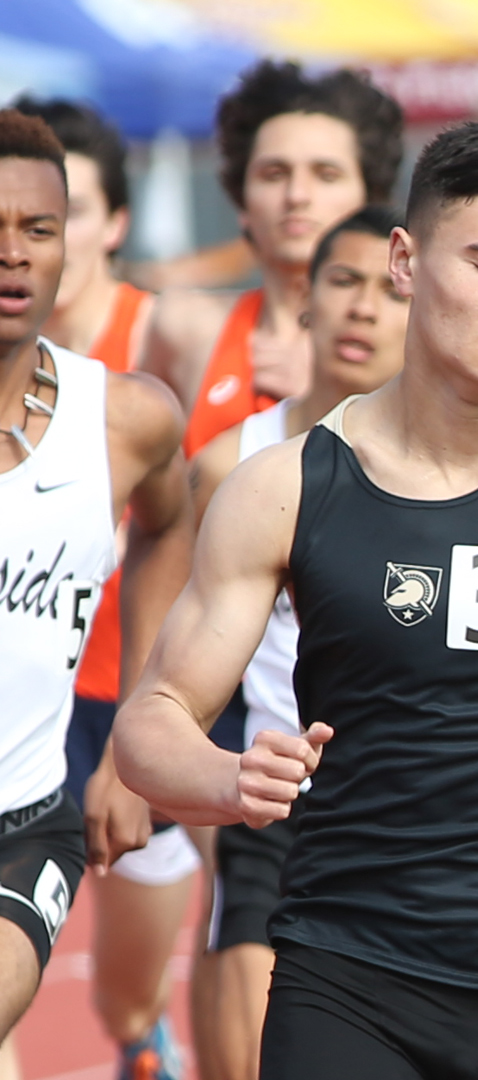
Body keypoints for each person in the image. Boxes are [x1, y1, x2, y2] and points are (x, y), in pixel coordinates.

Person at [114, 122, 478, 1080]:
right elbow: (153, 719)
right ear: (406, 261)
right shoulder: (285, 485)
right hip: (342, 964)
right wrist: (228, 779)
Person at [182, 205, 407, 1080]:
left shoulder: (451, 475)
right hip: (271, 790)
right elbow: (176, 653)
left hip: (408, 801)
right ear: (305, 302)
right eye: (342, 282)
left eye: (386, 290)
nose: (362, 308)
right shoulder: (232, 464)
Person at [0, 109, 192, 1080]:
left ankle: (140, 1038)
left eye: (39, 228)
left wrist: (135, 728)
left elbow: (169, 527)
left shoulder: (127, 418)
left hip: (30, 818)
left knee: (121, 993)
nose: (14, 253)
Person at [144, 60, 403, 458]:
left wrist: (321, 399)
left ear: (370, 196)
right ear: (241, 199)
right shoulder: (185, 328)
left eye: (326, 174)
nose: (297, 195)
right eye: (274, 173)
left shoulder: (411, 343)